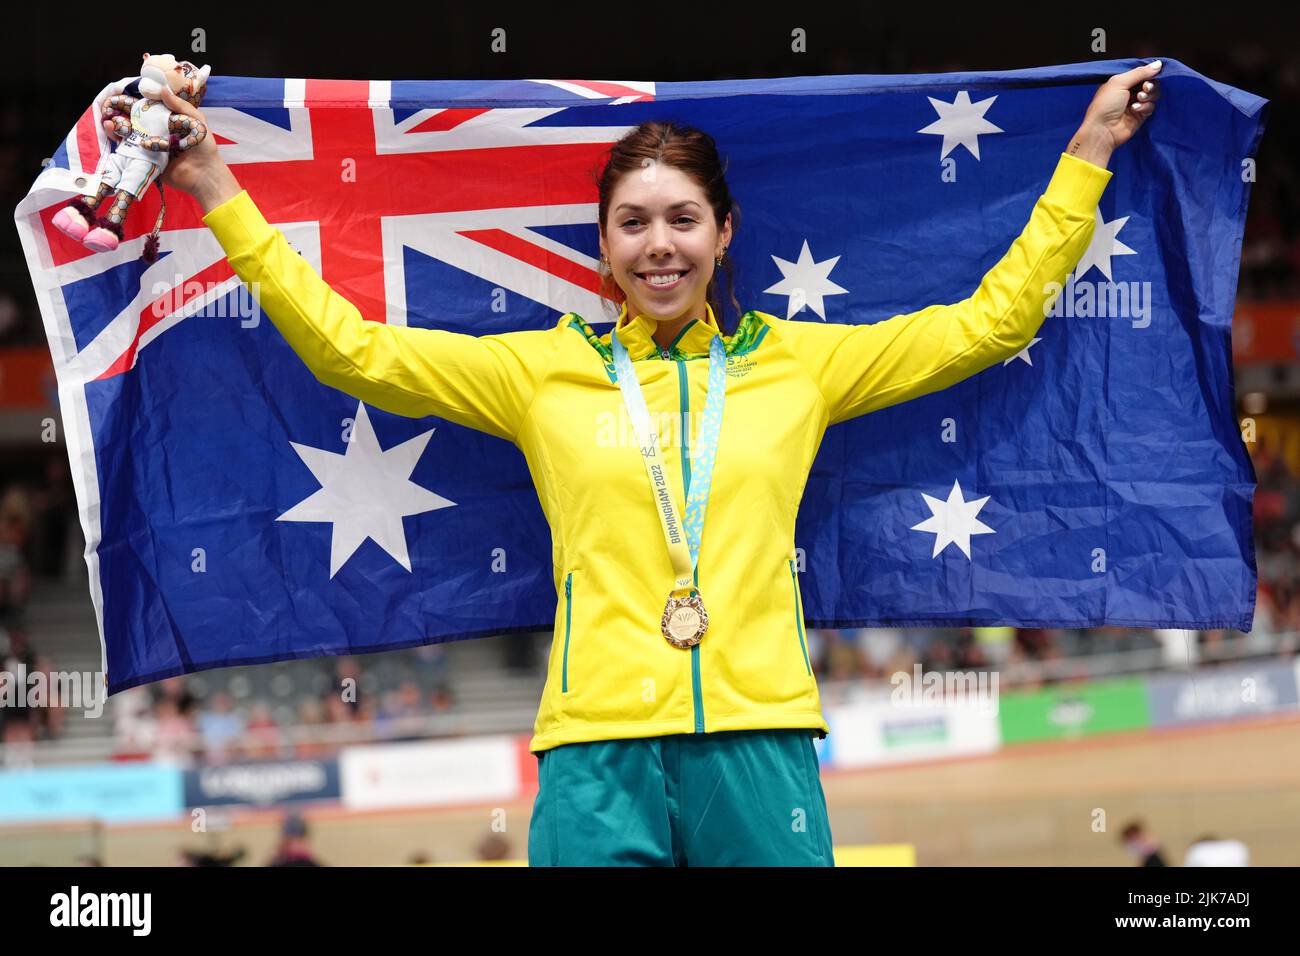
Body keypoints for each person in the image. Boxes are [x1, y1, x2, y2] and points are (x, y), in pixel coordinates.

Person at [153, 62, 1161, 866]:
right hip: (596, 748)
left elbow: (988, 324)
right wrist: (214, 185)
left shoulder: (797, 365)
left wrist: (1089, 148)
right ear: (601, 249)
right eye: (632, 223)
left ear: (723, 235)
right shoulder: (539, 371)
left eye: (683, 218)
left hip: (759, 736)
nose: (659, 245)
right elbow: (350, 348)